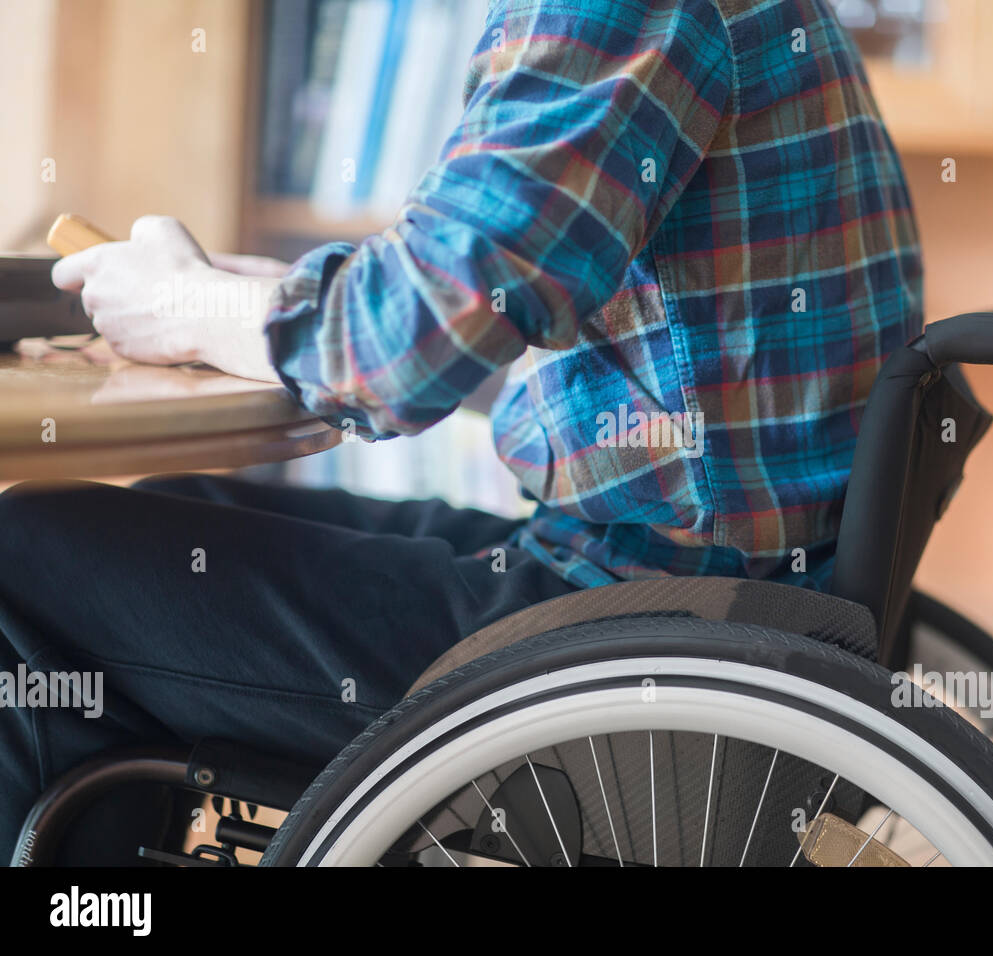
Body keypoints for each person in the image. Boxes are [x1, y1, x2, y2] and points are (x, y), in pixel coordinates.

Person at [1, 0, 921, 863]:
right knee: (162, 520)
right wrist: (262, 302)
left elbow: (411, 347)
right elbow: (534, 319)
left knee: (28, 553)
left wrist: (184, 302)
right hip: (706, 598)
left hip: (636, 628)